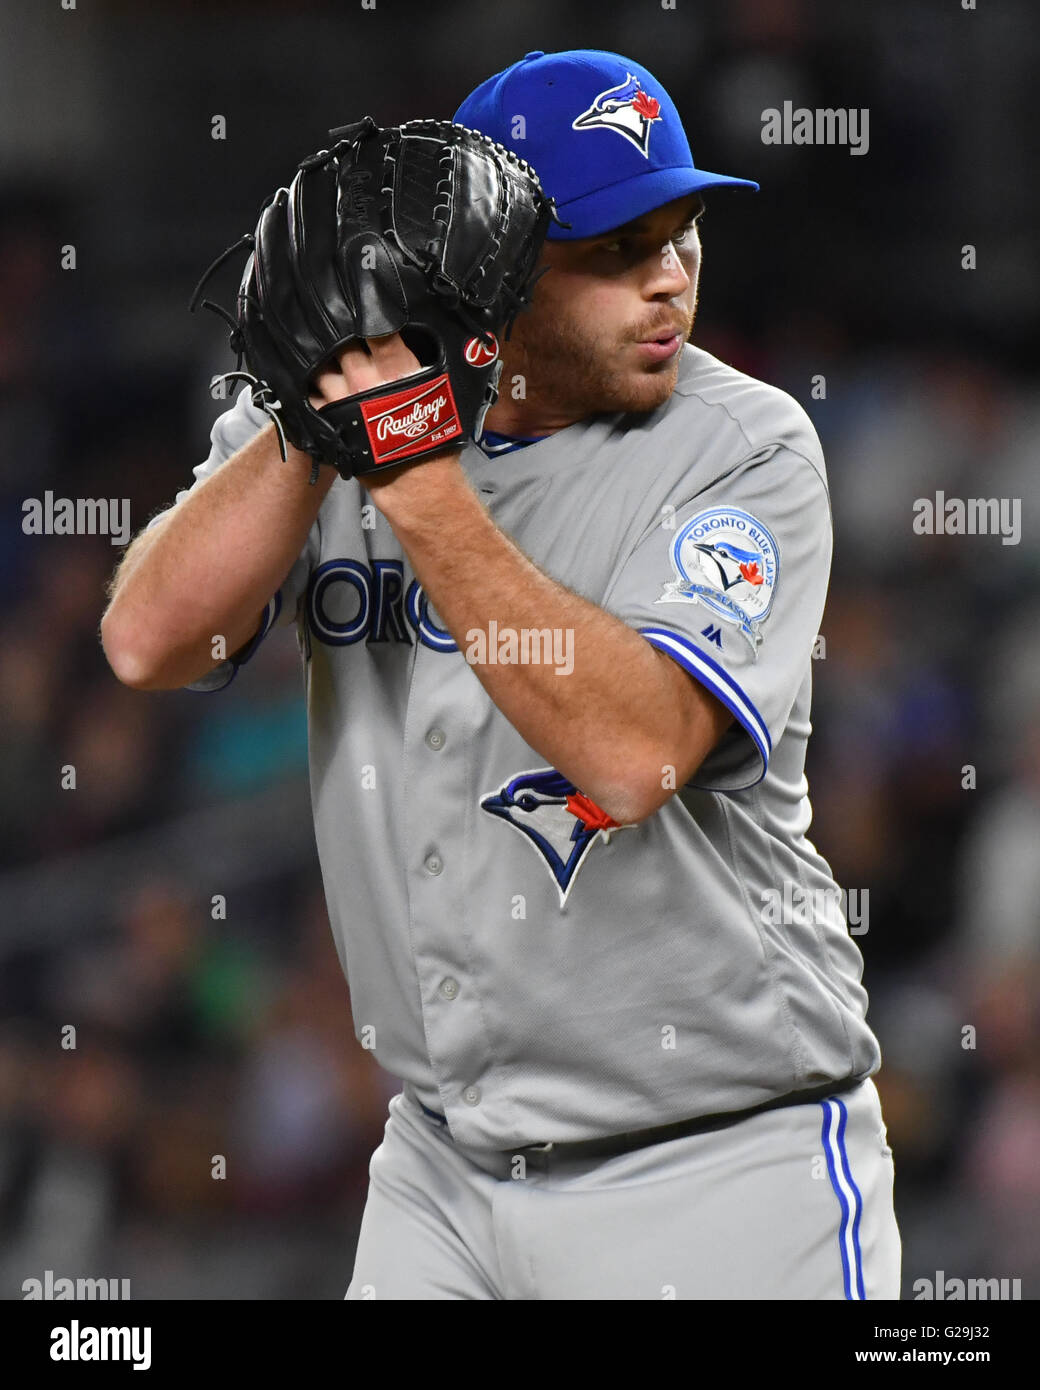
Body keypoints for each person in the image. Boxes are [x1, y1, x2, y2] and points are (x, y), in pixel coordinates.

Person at [100, 48, 901, 1300]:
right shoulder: (354, 406)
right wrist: (318, 420)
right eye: (615, 248)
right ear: (485, 267)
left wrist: (414, 475)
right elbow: (149, 639)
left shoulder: (740, 445)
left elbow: (634, 754)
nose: (669, 279)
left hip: (720, 1165)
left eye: (682, 232)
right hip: (442, 1165)